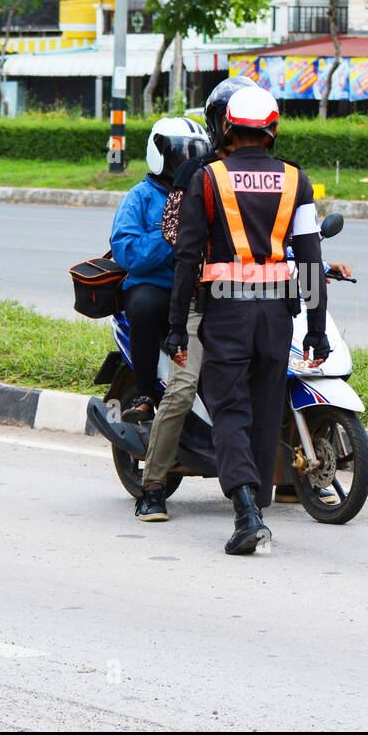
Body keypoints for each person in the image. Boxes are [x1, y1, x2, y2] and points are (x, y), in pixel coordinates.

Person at [165, 86, 329, 555]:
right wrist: (316, 330)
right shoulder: (297, 181)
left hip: (225, 314)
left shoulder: (208, 177)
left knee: (230, 408)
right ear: (272, 130)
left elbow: (187, 257)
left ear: (227, 129)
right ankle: (258, 501)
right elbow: (312, 261)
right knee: (264, 406)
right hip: (277, 316)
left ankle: (246, 512)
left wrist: (177, 327)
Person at [133, 77, 259, 521]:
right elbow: (176, 239)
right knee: (184, 388)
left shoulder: (274, 172)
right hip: (201, 303)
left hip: (254, 300)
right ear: (221, 125)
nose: (247, 134)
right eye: (237, 125)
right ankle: (152, 485)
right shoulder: (195, 174)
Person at [109, 116, 211, 426]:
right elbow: (126, 250)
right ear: (160, 155)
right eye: (181, 155)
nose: (188, 163)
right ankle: (145, 393)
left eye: (196, 155)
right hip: (157, 286)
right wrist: (170, 236)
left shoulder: (210, 193)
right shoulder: (139, 197)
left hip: (202, 287)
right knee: (144, 305)